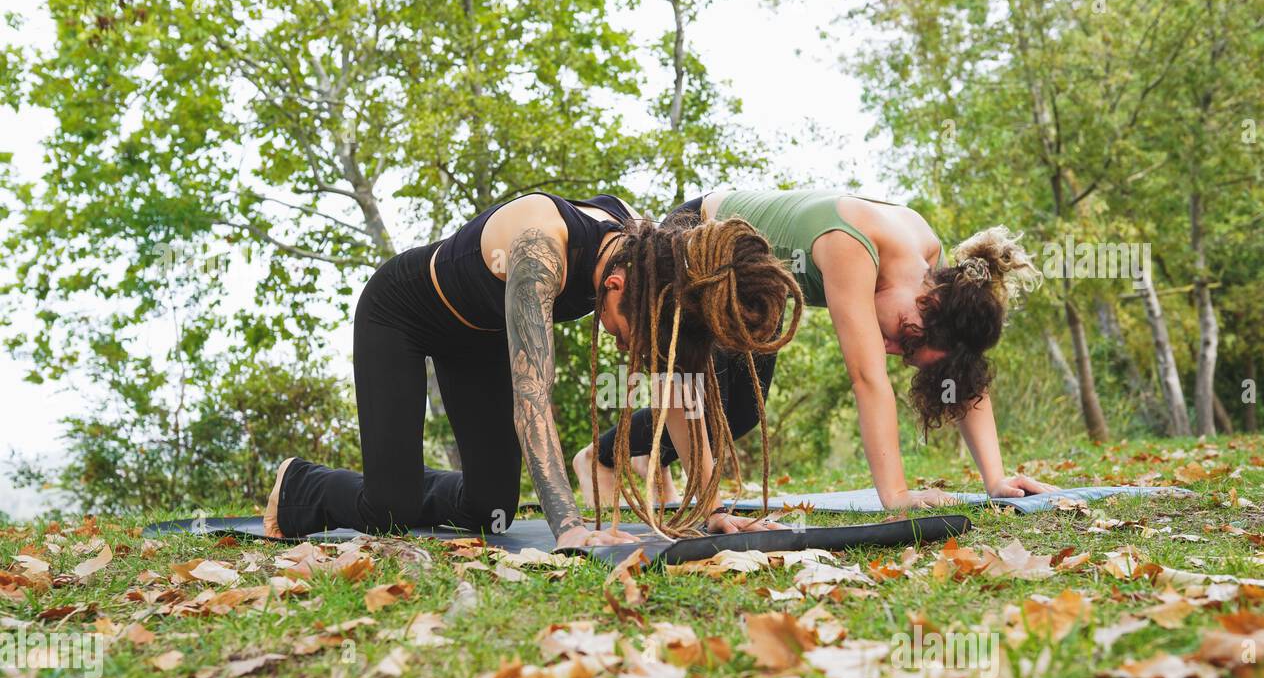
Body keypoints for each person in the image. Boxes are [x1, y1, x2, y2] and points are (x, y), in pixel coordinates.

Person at [262, 191, 803, 548]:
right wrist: (567, 526)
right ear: (614, 289)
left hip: (476, 341)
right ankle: (301, 486)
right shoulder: (541, 252)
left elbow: (672, 387)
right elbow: (532, 397)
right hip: (401, 315)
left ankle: (401, 478)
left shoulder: (644, 253)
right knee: (390, 509)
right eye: (626, 333)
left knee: (488, 508)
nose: (623, 349)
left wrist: (710, 510)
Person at [575, 189, 1058, 510]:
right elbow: (868, 382)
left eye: (906, 355)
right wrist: (896, 495)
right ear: (927, 300)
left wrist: (996, 481)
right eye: (905, 337)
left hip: (763, 281)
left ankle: (651, 459)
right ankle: (600, 458)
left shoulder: (929, 263)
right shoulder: (852, 249)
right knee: (695, 387)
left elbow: (964, 368)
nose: (891, 347)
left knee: (742, 413)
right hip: (701, 234)